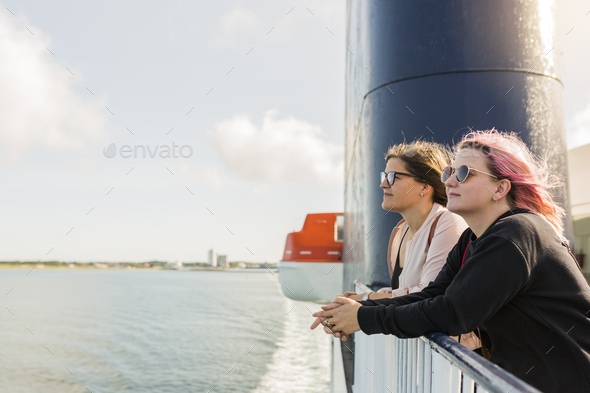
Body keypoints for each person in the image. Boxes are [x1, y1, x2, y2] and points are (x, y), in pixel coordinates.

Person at [311, 130, 590, 393]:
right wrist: (356, 308)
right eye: (450, 171)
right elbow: (433, 294)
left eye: (465, 173)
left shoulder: (516, 233)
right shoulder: (472, 238)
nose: (449, 181)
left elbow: (451, 313)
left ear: (500, 188)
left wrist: (362, 318)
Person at [344, 141, 468, 304]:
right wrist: (357, 302)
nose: (383, 184)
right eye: (384, 176)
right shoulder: (399, 231)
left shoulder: (449, 223)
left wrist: (367, 299)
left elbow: (428, 295)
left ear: (424, 186)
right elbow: (402, 291)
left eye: (392, 177)